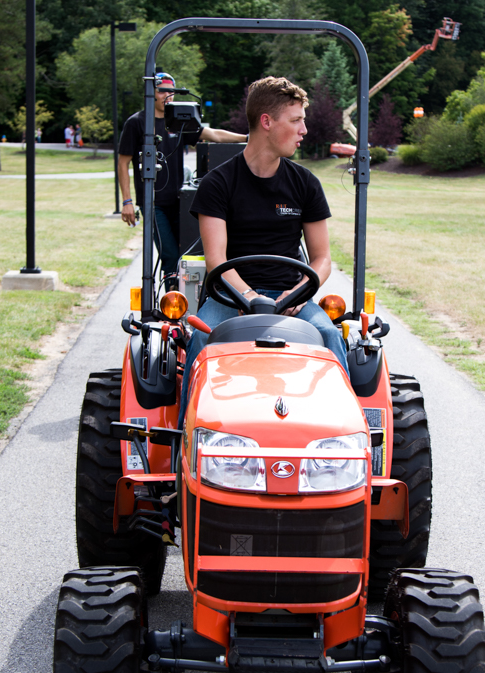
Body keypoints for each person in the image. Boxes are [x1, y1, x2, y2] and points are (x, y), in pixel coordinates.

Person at [178, 75, 349, 428]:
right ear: (267, 122)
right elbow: (218, 261)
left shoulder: (305, 183)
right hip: (230, 299)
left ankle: (344, 435)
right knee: (200, 340)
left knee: (331, 335)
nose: (304, 129)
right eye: (296, 120)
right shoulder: (218, 184)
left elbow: (321, 257)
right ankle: (187, 438)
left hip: (293, 298)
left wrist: (297, 293)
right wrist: (252, 297)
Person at [118, 72, 247, 283]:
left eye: (172, 91)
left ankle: (188, 300)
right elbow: (123, 163)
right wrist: (127, 201)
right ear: (151, 94)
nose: (168, 95)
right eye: (162, 91)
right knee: (169, 255)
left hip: (180, 201)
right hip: (153, 203)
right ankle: (172, 304)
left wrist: (247, 138)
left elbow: (212, 134)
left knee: (187, 256)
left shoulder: (178, 121)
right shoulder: (136, 123)